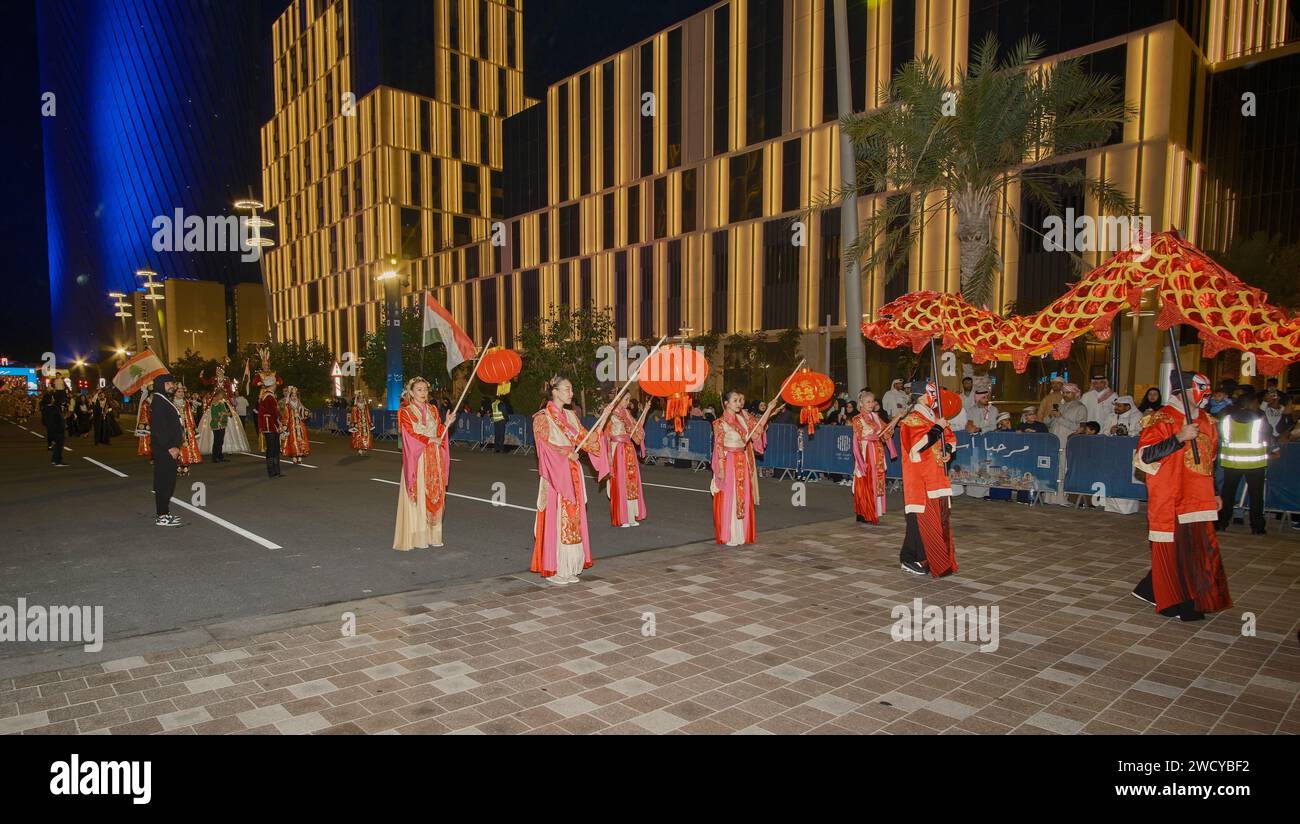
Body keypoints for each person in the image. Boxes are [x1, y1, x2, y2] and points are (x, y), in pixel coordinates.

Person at [1131, 371, 1232, 621]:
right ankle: (1175, 601)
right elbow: (1144, 457)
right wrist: (1178, 438)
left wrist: (1215, 492)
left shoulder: (1208, 421)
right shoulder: (1162, 417)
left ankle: (1154, 590)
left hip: (1199, 498)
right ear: (1183, 390)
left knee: (1198, 551)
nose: (1205, 394)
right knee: (1176, 551)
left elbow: (1210, 461)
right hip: (1172, 497)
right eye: (1200, 389)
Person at [530, 376, 608, 584]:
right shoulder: (542, 417)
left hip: (572, 471)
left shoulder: (571, 416)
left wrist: (602, 424)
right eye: (567, 389)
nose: (570, 393)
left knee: (573, 519)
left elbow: (586, 439)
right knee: (557, 518)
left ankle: (570, 566)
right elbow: (543, 448)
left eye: (571, 389)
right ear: (554, 391)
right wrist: (565, 455)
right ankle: (555, 568)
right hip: (555, 473)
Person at [898, 378, 957, 577]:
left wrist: (948, 449)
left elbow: (948, 437)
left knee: (938, 519)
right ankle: (911, 558)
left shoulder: (934, 416)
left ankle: (931, 557)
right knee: (919, 520)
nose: (935, 397)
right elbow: (917, 446)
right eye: (931, 393)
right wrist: (937, 428)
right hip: (920, 477)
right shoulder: (911, 419)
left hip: (937, 475)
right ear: (921, 396)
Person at [394, 377, 455, 550]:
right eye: (419, 390)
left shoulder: (433, 410)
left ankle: (432, 536)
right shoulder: (405, 412)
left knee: (434, 492)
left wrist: (446, 423)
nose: (423, 393)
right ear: (411, 392)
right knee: (419, 493)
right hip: (418, 458)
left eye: (425, 390)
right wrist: (429, 440)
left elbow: (439, 434)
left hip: (433, 457)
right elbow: (409, 436)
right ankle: (417, 537)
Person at [709, 390, 768, 546]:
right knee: (731, 497)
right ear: (726, 403)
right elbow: (719, 447)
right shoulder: (720, 423)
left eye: (739, 400)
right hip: (729, 462)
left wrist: (768, 411)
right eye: (735, 400)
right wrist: (720, 471)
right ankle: (730, 535)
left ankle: (741, 533)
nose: (739, 403)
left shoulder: (742, 420)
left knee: (742, 497)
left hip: (742, 461)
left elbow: (757, 434)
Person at [1216, 389, 1277, 534]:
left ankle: (1221, 523)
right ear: (1250, 403)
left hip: (1232, 462)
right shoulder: (1260, 419)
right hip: (1255, 463)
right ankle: (1257, 527)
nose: (1258, 405)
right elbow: (1268, 437)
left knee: (1227, 494)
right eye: (1256, 402)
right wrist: (1271, 451)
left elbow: (1221, 436)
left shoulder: (1227, 418)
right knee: (1256, 496)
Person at [603, 392, 647, 527]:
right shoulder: (610, 413)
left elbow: (637, 429)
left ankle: (631, 515)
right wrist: (608, 457)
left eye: (628, 399)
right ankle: (622, 517)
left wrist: (645, 411)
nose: (628, 402)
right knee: (621, 483)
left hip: (628, 449)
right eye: (626, 399)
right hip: (617, 450)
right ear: (619, 398)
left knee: (631, 483)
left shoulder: (627, 414)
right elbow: (605, 436)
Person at [851, 390, 891, 525]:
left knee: (875, 482)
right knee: (865, 482)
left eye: (872, 401)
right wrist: (876, 435)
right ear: (861, 403)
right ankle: (864, 512)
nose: (871, 404)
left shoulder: (876, 416)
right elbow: (860, 436)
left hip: (877, 452)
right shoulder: (857, 419)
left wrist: (896, 420)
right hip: (866, 452)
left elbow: (885, 431)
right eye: (867, 401)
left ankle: (872, 511)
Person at [149, 374, 184, 527]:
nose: (172, 386)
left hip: (167, 449)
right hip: (165, 450)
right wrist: (171, 447)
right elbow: (159, 429)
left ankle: (164, 512)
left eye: (172, 383)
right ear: (160, 385)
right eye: (168, 383)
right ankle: (162, 515)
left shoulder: (162, 400)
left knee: (167, 482)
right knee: (164, 482)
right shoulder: (158, 401)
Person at [173, 385, 202, 476]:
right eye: (179, 392)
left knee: (185, 447)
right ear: (174, 393)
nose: (181, 394)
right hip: (175, 429)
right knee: (176, 447)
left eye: (182, 392)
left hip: (186, 428)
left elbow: (190, 416)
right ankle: (176, 467)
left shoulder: (186, 403)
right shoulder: (171, 403)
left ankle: (185, 466)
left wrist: (193, 428)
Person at [258, 382, 283, 478]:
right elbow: (274, 412)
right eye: (275, 384)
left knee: (275, 448)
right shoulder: (269, 396)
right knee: (272, 448)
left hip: (270, 424)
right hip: (270, 425)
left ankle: (276, 471)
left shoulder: (267, 395)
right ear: (272, 385)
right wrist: (279, 423)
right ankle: (272, 472)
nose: (276, 386)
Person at [280, 386, 311, 464]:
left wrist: (306, 414)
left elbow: (305, 411)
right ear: (290, 397)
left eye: (295, 396)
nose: (294, 397)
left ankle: (300, 457)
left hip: (300, 425)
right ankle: (294, 457)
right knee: (293, 440)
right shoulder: (288, 404)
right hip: (292, 424)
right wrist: (285, 425)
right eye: (293, 396)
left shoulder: (299, 403)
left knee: (301, 440)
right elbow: (286, 414)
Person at [205, 388, 232, 462]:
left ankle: (220, 456)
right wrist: (222, 415)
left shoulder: (221, 402)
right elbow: (214, 414)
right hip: (216, 424)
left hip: (222, 423)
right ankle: (215, 457)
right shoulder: (215, 403)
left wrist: (225, 414)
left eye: (223, 395)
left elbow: (225, 412)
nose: (222, 396)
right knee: (217, 441)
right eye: (221, 395)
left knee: (220, 441)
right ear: (218, 394)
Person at [43, 388, 68, 467]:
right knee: (59, 446)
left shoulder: (48, 408)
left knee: (57, 445)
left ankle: (54, 460)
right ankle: (58, 461)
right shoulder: (53, 408)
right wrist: (62, 425)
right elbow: (57, 419)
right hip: (57, 430)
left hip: (52, 430)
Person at [135, 384, 153, 460]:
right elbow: (144, 415)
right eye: (153, 393)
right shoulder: (146, 403)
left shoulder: (159, 401)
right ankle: (152, 456)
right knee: (151, 440)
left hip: (159, 423)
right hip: (150, 423)